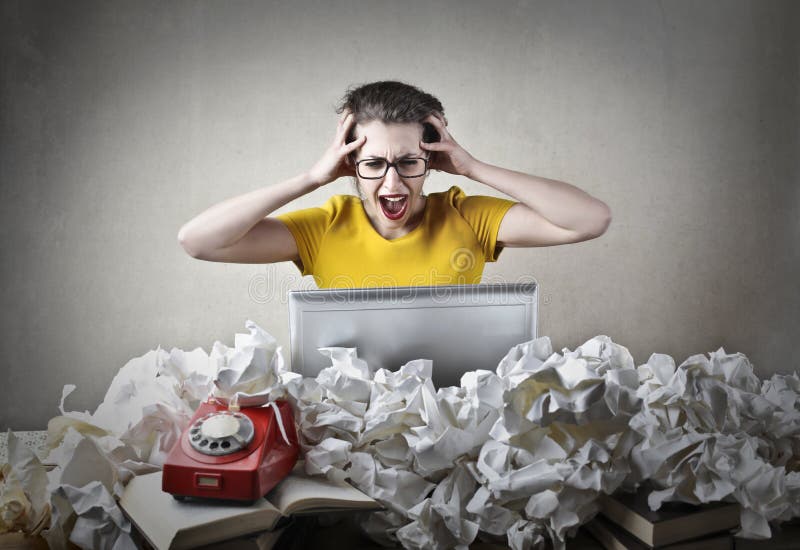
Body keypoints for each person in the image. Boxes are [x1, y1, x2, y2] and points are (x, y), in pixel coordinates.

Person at [177, 81, 611, 288]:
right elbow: (198, 241)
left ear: (431, 158)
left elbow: (590, 220)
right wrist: (311, 179)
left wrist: (474, 168)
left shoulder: (466, 216)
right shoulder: (324, 228)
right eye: (373, 164)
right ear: (350, 163)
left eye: (407, 162)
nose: (392, 182)